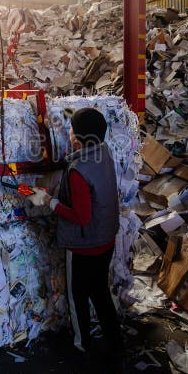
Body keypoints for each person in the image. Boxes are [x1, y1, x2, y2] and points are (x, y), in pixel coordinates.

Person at [29, 107, 122, 355]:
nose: (68, 134)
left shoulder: (77, 172)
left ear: (78, 138)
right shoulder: (104, 152)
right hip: (106, 239)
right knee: (100, 291)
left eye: (70, 130)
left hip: (85, 246)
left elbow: (81, 217)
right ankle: (115, 340)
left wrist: (49, 202)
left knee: (77, 296)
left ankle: (82, 345)